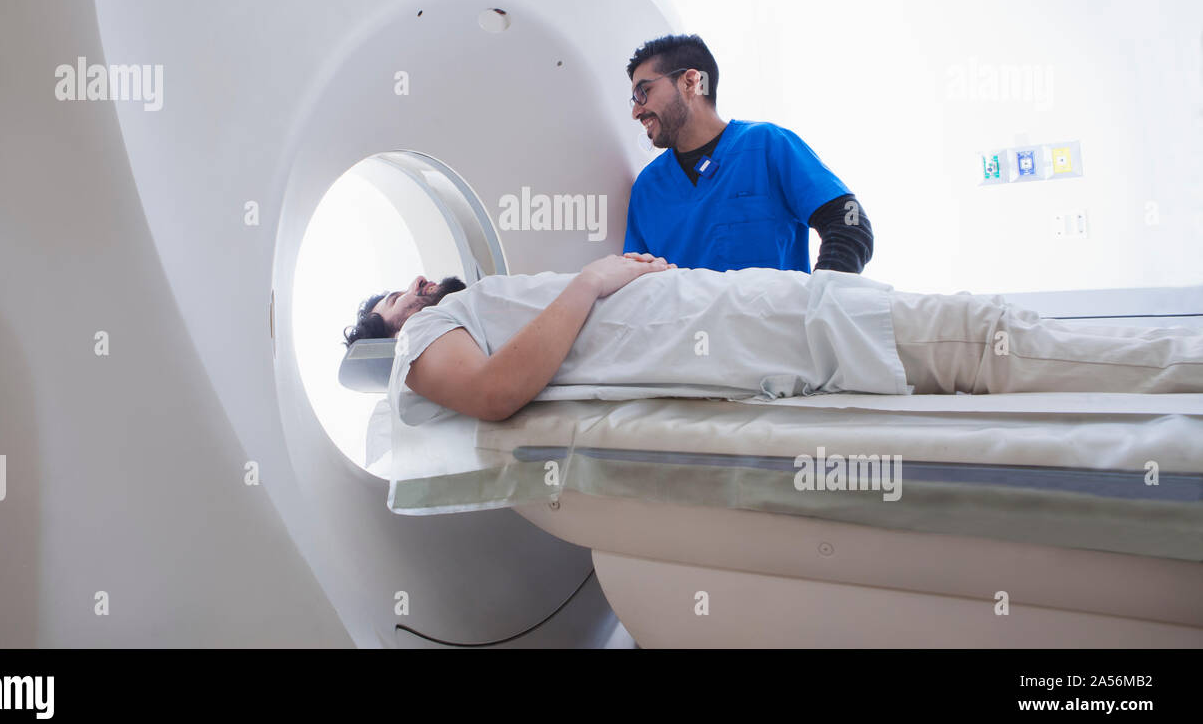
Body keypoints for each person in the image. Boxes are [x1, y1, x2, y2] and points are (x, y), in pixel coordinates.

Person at [343, 256, 1203, 427]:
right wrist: (596, 280)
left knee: (987, 339)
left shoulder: (490, 295)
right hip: (785, 331)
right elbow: (495, 395)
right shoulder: (426, 341)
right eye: (394, 295)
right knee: (989, 337)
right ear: (381, 336)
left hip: (775, 307)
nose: (416, 284)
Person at [624, 33, 873, 274]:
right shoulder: (647, 188)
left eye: (643, 92)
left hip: (777, 318)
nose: (636, 112)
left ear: (690, 82)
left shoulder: (766, 145)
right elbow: (635, 283)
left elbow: (849, 219)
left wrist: (822, 299)